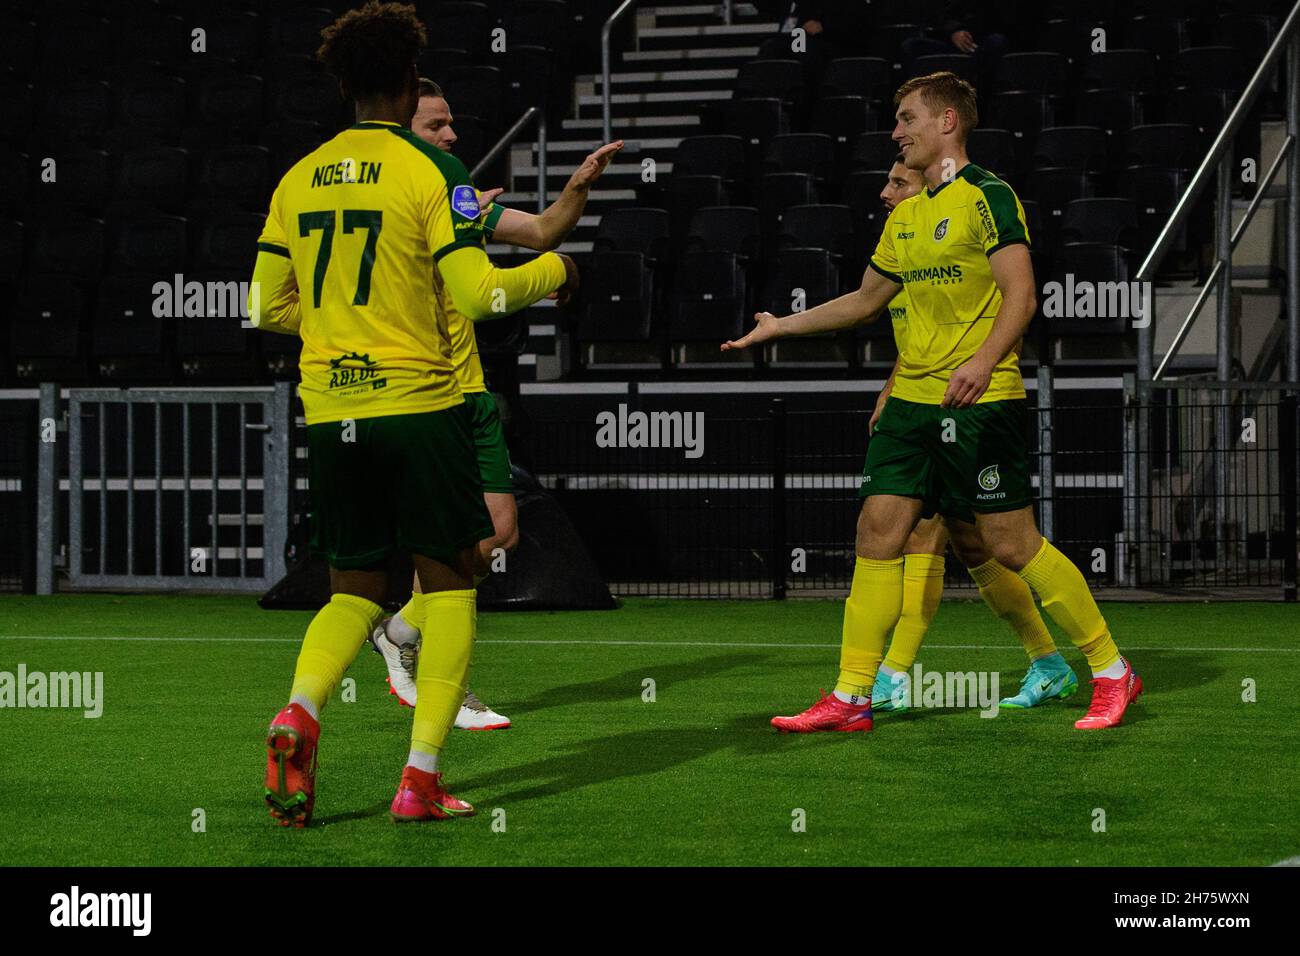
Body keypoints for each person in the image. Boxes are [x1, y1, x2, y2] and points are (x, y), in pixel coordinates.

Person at [722, 72, 1142, 732]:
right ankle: (853, 695)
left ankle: (1113, 670)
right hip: (913, 405)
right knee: (877, 533)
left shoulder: (989, 197)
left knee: (1010, 543)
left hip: (979, 402)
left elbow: (1021, 295)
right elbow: (864, 301)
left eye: (907, 117)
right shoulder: (907, 215)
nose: (896, 131)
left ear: (947, 122)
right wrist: (782, 325)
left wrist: (983, 360)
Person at [249, 1, 575, 826]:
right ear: (404, 82)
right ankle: (419, 780)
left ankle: (300, 710)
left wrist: (335, 326)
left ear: (345, 85)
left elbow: (264, 307)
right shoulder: (434, 173)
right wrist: (558, 272)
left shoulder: (297, 177)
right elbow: (479, 293)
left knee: (351, 586)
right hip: (421, 404)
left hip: (332, 410)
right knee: (451, 579)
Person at [369, 77, 623, 730]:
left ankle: (398, 632)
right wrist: (557, 275)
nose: (453, 135)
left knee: (499, 532)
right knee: (452, 545)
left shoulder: (453, 197)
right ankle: (445, 689)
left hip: (471, 389)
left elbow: (540, 229)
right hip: (425, 394)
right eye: (436, 126)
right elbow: (498, 285)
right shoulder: (398, 203)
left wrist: (579, 187)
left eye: (452, 123)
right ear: (401, 130)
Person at [868, 155, 1076, 713]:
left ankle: (891, 675)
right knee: (966, 543)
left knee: (957, 540)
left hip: (966, 411)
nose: (886, 193)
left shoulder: (962, 230)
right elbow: (916, 347)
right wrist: (892, 388)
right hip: (922, 410)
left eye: (897, 183)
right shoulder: (905, 259)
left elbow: (1012, 305)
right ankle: (1048, 662)